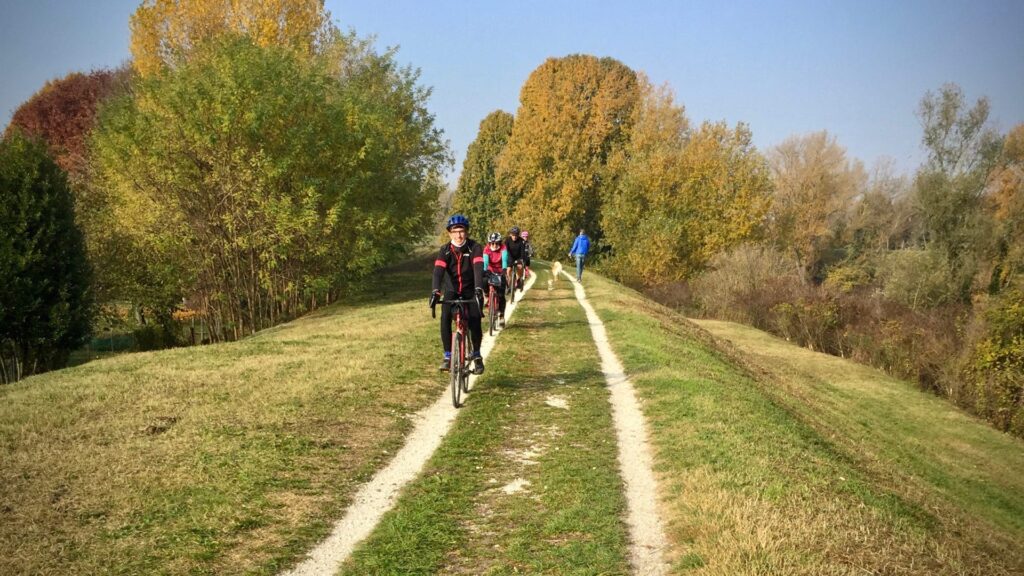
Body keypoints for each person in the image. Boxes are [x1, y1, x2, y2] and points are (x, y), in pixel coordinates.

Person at [432, 214, 485, 374]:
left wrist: (479, 288)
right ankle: (448, 356)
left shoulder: (474, 247)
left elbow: (477, 268)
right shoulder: (445, 250)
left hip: (470, 290)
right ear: (449, 233)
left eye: (461, 231)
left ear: (466, 232)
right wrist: (435, 291)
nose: (458, 235)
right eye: (455, 231)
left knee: (475, 320)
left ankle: (476, 355)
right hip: (451, 291)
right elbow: (438, 272)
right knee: (445, 318)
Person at [482, 232, 509, 328]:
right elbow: (485, 262)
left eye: (496, 243)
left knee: (501, 295)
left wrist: (504, 270)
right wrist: (485, 271)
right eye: (492, 243)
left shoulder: (503, 248)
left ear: (500, 243)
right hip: (490, 270)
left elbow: (504, 260)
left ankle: (501, 315)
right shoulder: (486, 249)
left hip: (500, 270)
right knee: (483, 280)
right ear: (489, 243)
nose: (494, 245)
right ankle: (486, 295)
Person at [504, 226, 527, 291]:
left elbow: (523, 252)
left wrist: (521, 261)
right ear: (510, 234)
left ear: (518, 235)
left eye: (516, 235)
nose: (515, 237)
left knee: (519, 267)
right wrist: (509, 259)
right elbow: (506, 250)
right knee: (508, 270)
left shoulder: (521, 241)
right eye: (513, 235)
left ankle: (518, 280)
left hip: (519, 257)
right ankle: (508, 285)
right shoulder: (507, 240)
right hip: (510, 256)